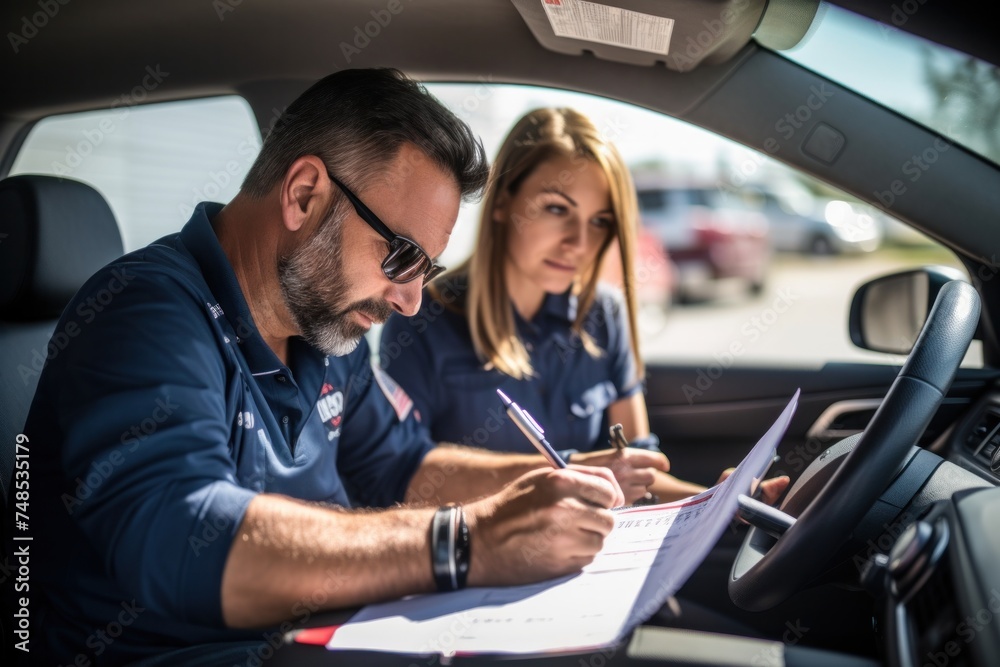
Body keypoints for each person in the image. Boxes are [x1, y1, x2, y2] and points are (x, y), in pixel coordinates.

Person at [18, 70, 672, 666]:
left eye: (428, 270)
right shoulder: (145, 315)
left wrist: (562, 476)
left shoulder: (329, 337)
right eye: (401, 256)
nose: (411, 298)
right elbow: (186, 537)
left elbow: (404, 467)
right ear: (303, 195)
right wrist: (463, 540)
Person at [379, 107, 789, 503]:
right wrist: (573, 471)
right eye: (557, 209)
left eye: (599, 222)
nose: (578, 243)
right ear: (502, 202)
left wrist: (719, 502)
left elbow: (637, 476)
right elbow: (404, 477)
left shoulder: (603, 314)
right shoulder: (423, 318)